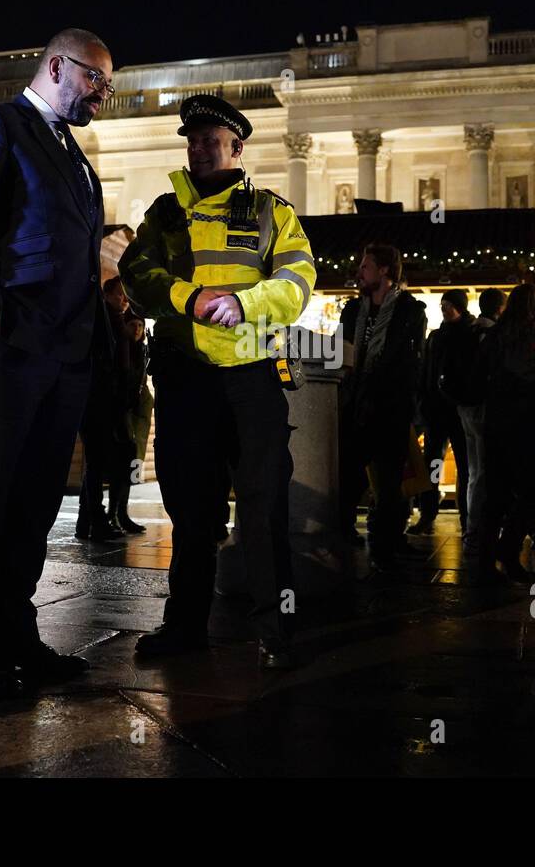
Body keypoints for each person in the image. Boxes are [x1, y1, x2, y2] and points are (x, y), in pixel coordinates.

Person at [0, 28, 113, 690]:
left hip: (65, 357)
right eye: (97, 79)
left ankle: (14, 630)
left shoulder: (78, 157)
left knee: (35, 504)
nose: (104, 95)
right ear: (59, 66)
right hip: (5, 350)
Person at [119, 93, 316, 668]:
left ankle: (275, 632)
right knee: (190, 510)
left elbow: (298, 281)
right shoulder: (163, 211)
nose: (199, 149)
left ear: (237, 146)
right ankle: (184, 627)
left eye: (211, 140)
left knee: (264, 506)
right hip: (186, 380)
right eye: (193, 139)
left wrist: (246, 301)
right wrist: (192, 297)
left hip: (253, 378)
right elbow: (138, 274)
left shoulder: (272, 211)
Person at [337, 244, 428, 570]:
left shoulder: (409, 310)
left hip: (389, 409)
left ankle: (385, 547)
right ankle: (343, 536)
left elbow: (409, 364)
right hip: (354, 407)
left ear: (385, 270)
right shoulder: (351, 311)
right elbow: (340, 355)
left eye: (366, 266)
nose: (360, 272)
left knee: (390, 485)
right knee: (348, 479)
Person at [472, 283, 535, 582]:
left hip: (495, 422)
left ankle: (485, 560)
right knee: (532, 491)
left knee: (494, 494)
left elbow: (480, 373)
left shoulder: (495, 335)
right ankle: (508, 550)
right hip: (527, 424)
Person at [75, 275, 136, 541]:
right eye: (119, 295)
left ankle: (89, 519)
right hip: (100, 397)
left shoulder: (118, 321)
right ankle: (94, 519)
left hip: (109, 397)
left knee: (99, 460)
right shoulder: (106, 320)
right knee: (97, 460)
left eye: (126, 296)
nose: (123, 300)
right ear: (107, 294)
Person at [447, 287, 503, 555]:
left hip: (462, 405)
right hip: (482, 405)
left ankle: (471, 526)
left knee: (472, 470)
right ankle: (477, 529)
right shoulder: (492, 335)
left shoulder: (465, 331)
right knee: (483, 471)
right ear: (499, 309)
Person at [411, 290, 472, 534]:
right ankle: (429, 512)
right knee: (433, 463)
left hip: (457, 411)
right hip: (438, 411)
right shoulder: (437, 336)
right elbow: (426, 370)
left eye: (448, 305)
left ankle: (466, 516)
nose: (444, 309)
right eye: (443, 305)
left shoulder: (467, 333)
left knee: (463, 465)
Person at [107, 306, 149, 534]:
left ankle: (121, 513)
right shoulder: (121, 349)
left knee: (130, 465)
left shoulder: (141, 350)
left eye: (140, 325)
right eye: (133, 324)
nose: (137, 329)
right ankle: (113, 514)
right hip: (121, 411)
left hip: (135, 415)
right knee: (118, 465)